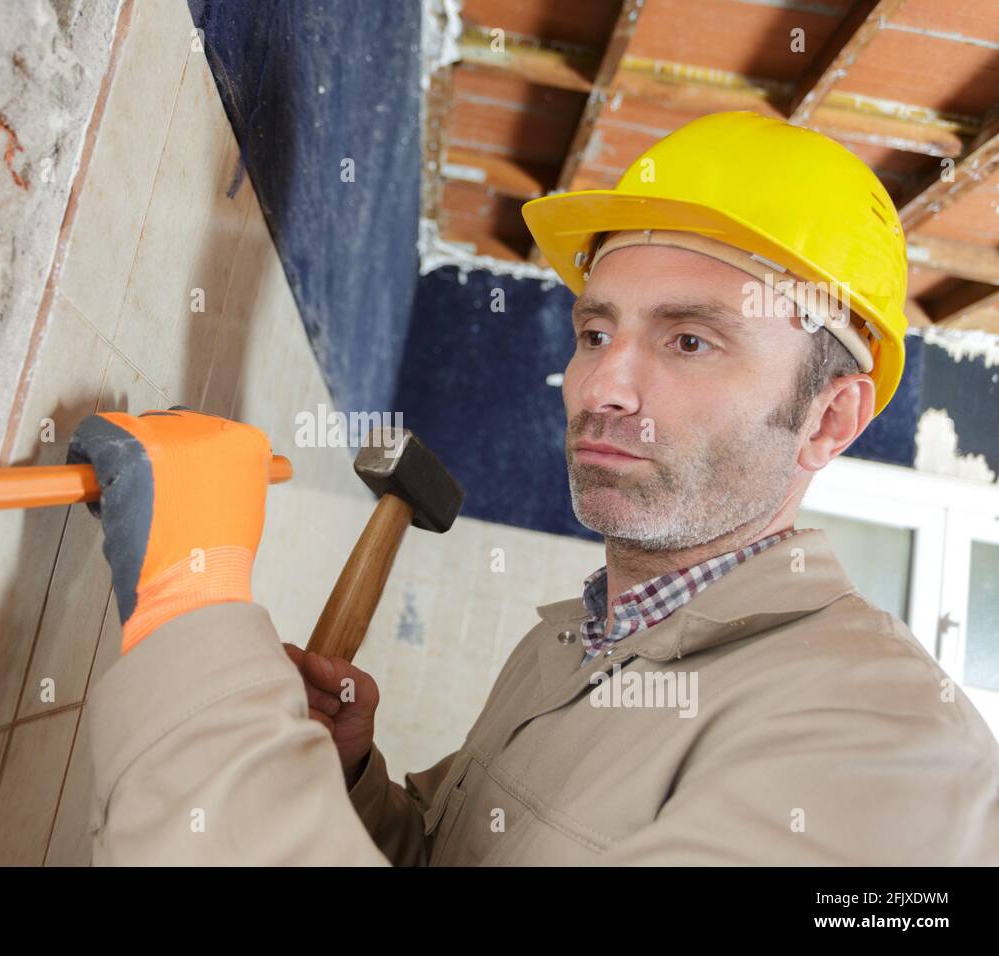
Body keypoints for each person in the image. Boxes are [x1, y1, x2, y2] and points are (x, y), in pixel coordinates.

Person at [69, 111, 999, 865]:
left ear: (829, 421)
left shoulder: (896, 750)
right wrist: (353, 783)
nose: (599, 387)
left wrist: (191, 619)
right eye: (596, 333)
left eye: (689, 341)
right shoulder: (569, 641)